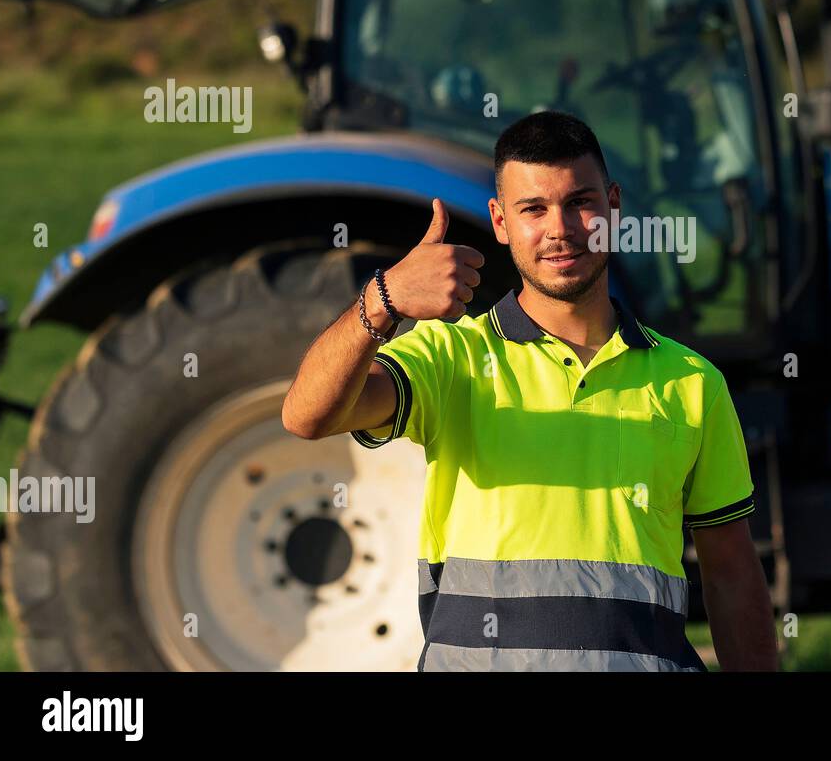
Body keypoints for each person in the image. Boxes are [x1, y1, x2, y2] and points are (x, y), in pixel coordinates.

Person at [282, 110, 777, 671]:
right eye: (532, 209)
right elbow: (307, 415)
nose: (559, 229)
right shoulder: (453, 358)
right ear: (499, 221)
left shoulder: (692, 382)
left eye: (579, 202)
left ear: (614, 206)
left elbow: (733, 572)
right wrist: (383, 298)